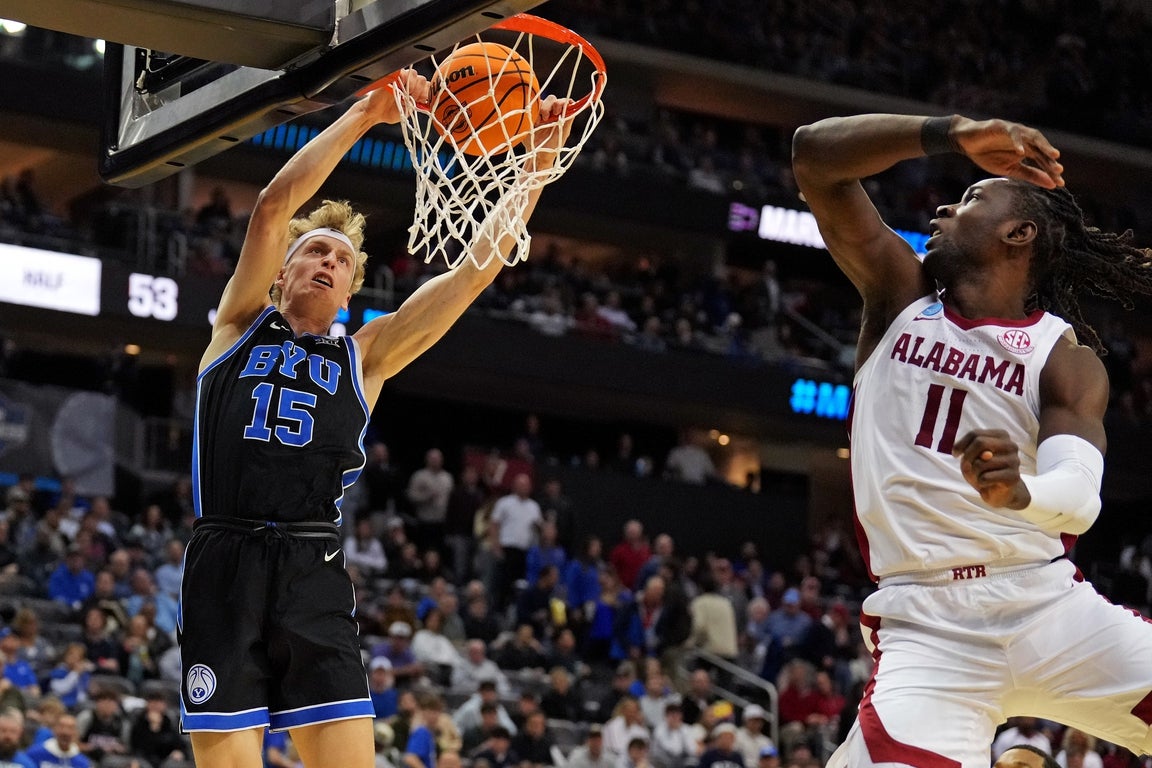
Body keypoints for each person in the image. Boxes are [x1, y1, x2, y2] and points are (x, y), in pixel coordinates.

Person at [179, 70, 574, 768]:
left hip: (312, 567)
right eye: (314, 251)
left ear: (350, 291)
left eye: (341, 259)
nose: (328, 261)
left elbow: (475, 272)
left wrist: (536, 164)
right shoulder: (237, 326)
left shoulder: (366, 356)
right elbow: (273, 206)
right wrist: (365, 114)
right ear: (280, 275)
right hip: (225, 562)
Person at [793, 112, 1152, 767]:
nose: (943, 208)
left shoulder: (1064, 358)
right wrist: (951, 133)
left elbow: (1078, 499)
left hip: (1048, 606)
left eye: (970, 198)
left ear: (1020, 233)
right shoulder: (898, 297)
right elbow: (812, 156)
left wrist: (1021, 493)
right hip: (927, 626)